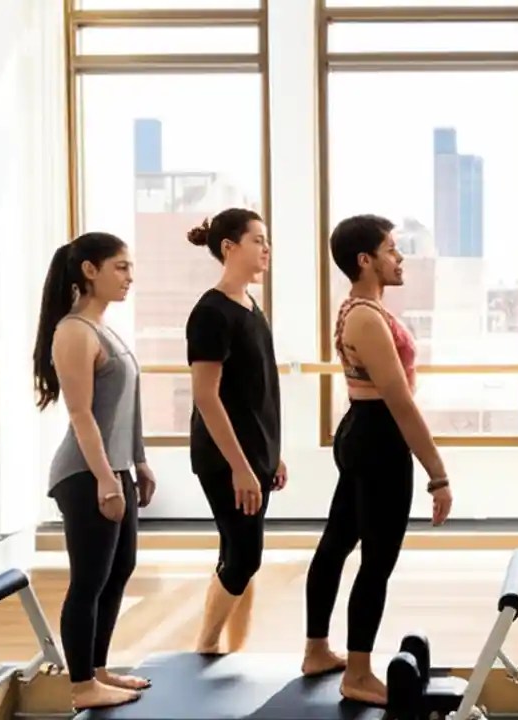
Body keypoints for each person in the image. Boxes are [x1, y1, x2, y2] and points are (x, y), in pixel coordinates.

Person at [301, 214, 453, 705]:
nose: (400, 257)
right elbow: (400, 402)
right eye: (391, 249)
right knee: (376, 561)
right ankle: (358, 673)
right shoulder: (365, 317)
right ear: (365, 260)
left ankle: (317, 651)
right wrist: (437, 475)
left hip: (363, 431)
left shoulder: (362, 309)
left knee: (337, 542)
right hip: (378, 437)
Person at [33, 232, 156, 710]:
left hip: (114, 467)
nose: (130, 277)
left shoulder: (103, 329)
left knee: (119, 570)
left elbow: (127, 406)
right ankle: (81, 684)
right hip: (84, 473)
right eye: (121, 267)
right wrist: (105, 478)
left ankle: (98, 669)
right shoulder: (73, 332)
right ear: (89, 270)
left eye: (131, 267)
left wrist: (138, 460)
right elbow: (81, 414)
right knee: (88, 580)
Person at [184, 207, 285, 655]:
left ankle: (234, 652)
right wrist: (240, 468)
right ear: (229, 247)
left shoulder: (250, 306)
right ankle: (206, 646)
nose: (266, 249)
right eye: (257, 240)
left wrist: (272, 454)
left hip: (255, 454)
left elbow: (255, 391)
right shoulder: (211, 312)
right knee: (244, 555)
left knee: (241, 556)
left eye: (267, 241)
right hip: (227, 459)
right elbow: (206, 397)